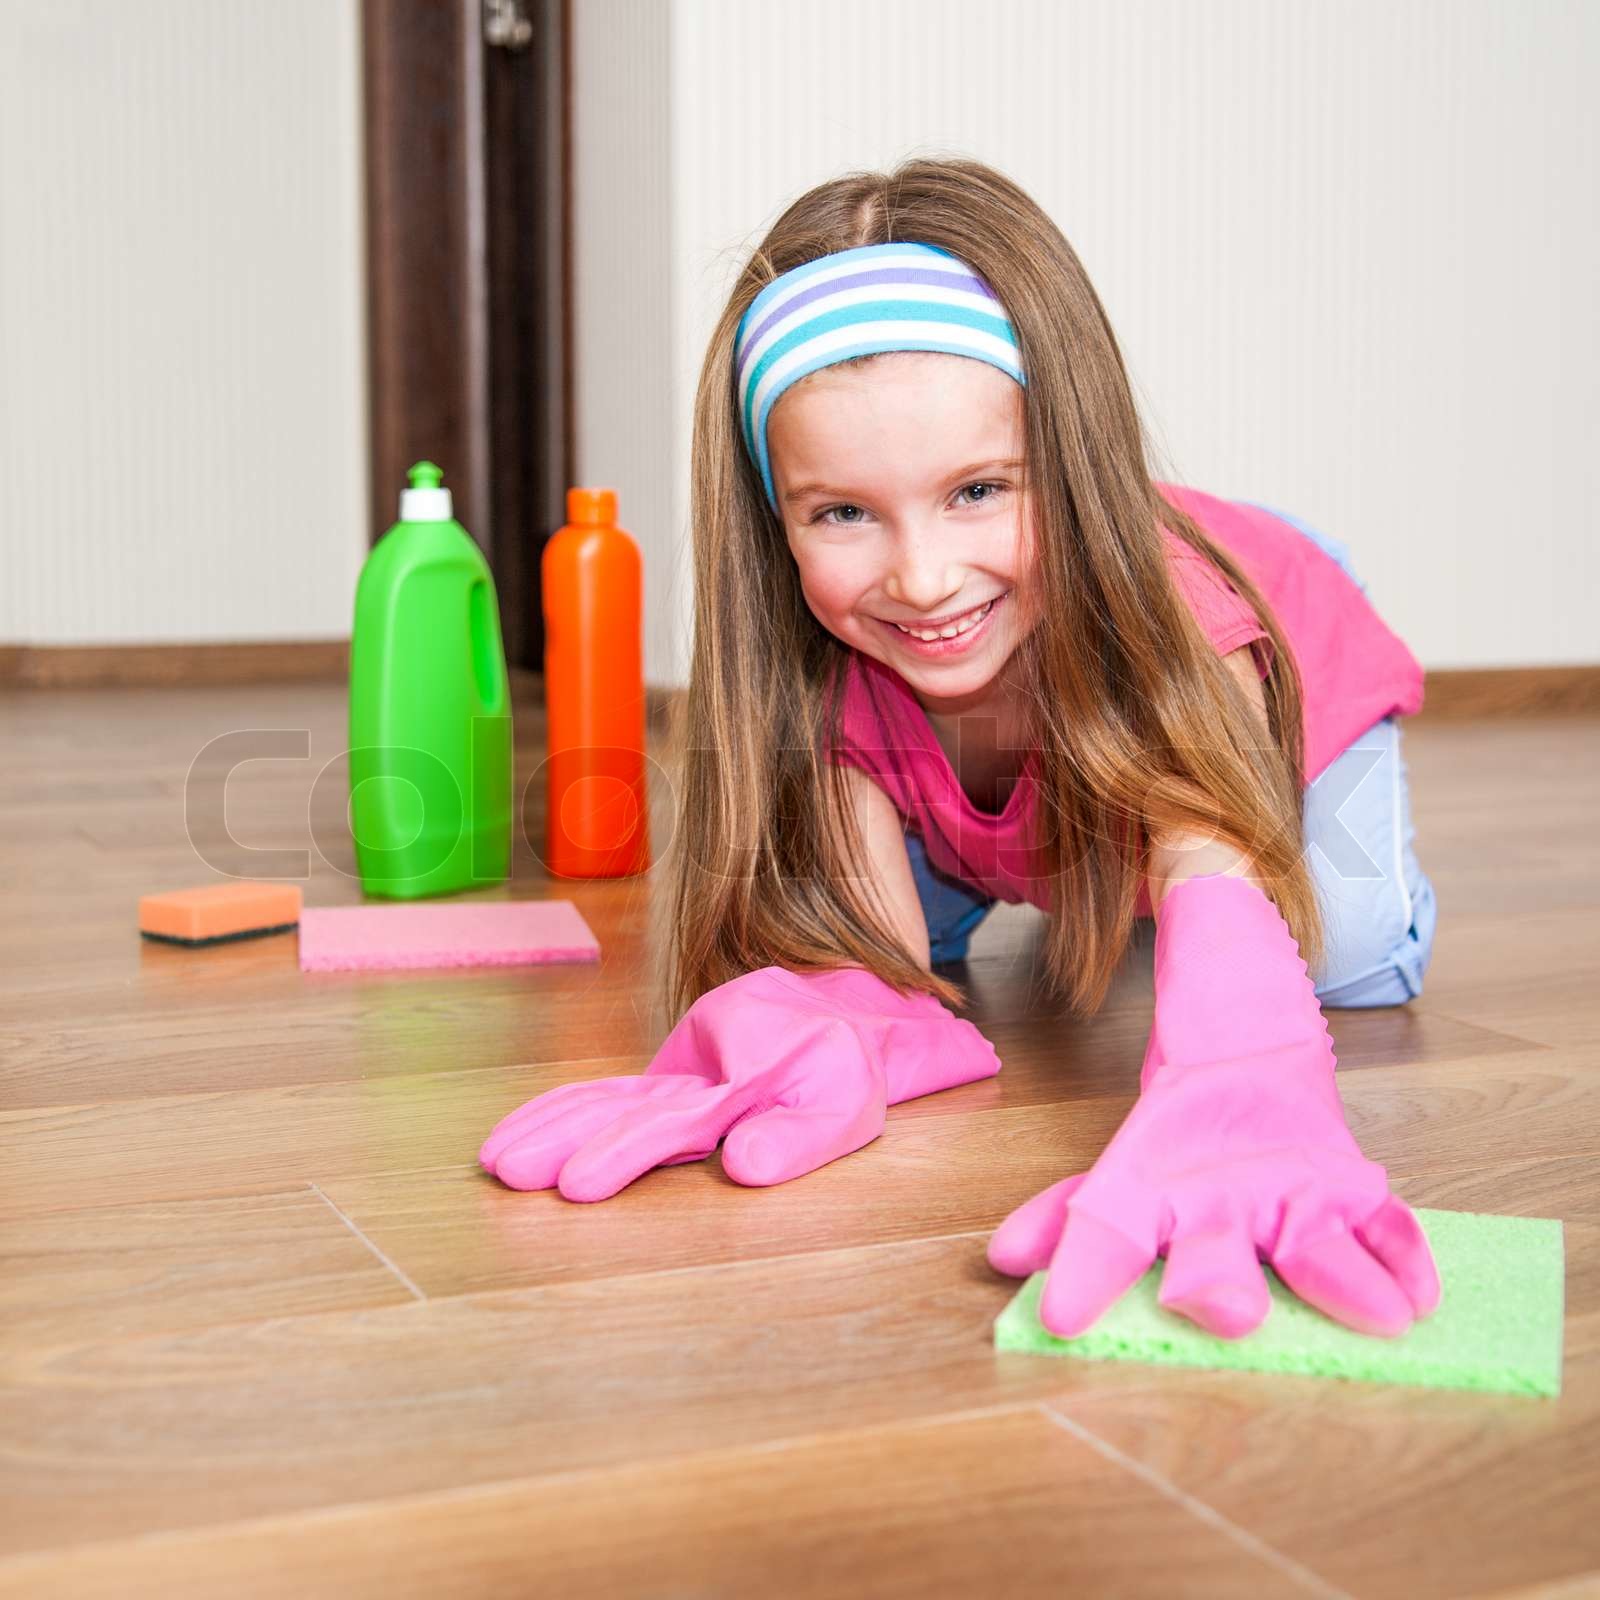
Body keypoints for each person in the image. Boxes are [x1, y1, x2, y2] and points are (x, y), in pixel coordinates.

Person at [480, 157, 1442, 1344]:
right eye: (842, 513)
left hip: (1272, 648)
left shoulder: (1182, 616)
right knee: (900, 950)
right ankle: (1084, 868)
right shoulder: (829, 662)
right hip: (1007, 770)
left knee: (1328, 949)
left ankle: (1174, 797)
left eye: (979, 489)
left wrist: (1236, 1044)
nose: (922, 577)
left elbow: (1210, 857)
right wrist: (828, 1008)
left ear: (1073, 467)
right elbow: (879, 973)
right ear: (773, 517)